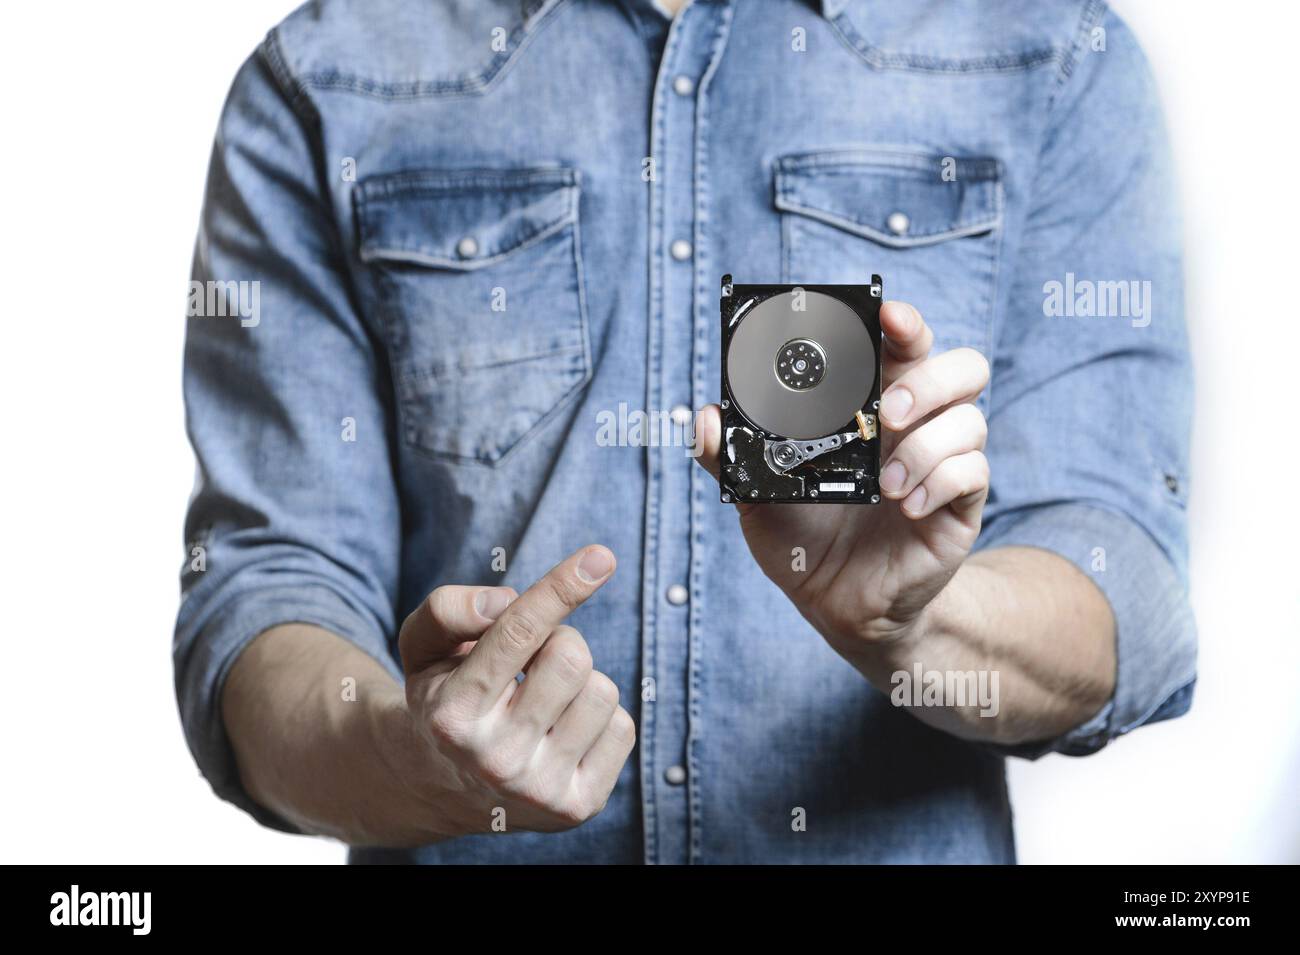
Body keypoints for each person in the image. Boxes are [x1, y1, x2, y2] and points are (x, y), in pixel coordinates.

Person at [177, 0, 1196, 863]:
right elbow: (266, 588)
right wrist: (410, 756)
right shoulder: (329, 76)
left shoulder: (1051, 50)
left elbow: (1124, 585)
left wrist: (918, 625)